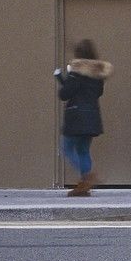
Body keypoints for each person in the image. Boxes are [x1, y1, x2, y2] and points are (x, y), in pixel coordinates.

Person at [54, 37, 112, 198]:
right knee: (83, 150)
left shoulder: (77, 72)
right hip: (92, 118)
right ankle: (83, 186)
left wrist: (61, 77)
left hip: (76, 117)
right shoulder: (97, 74)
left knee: (67, 148)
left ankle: (88, 176)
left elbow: (65, 94)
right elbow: (98, 93)